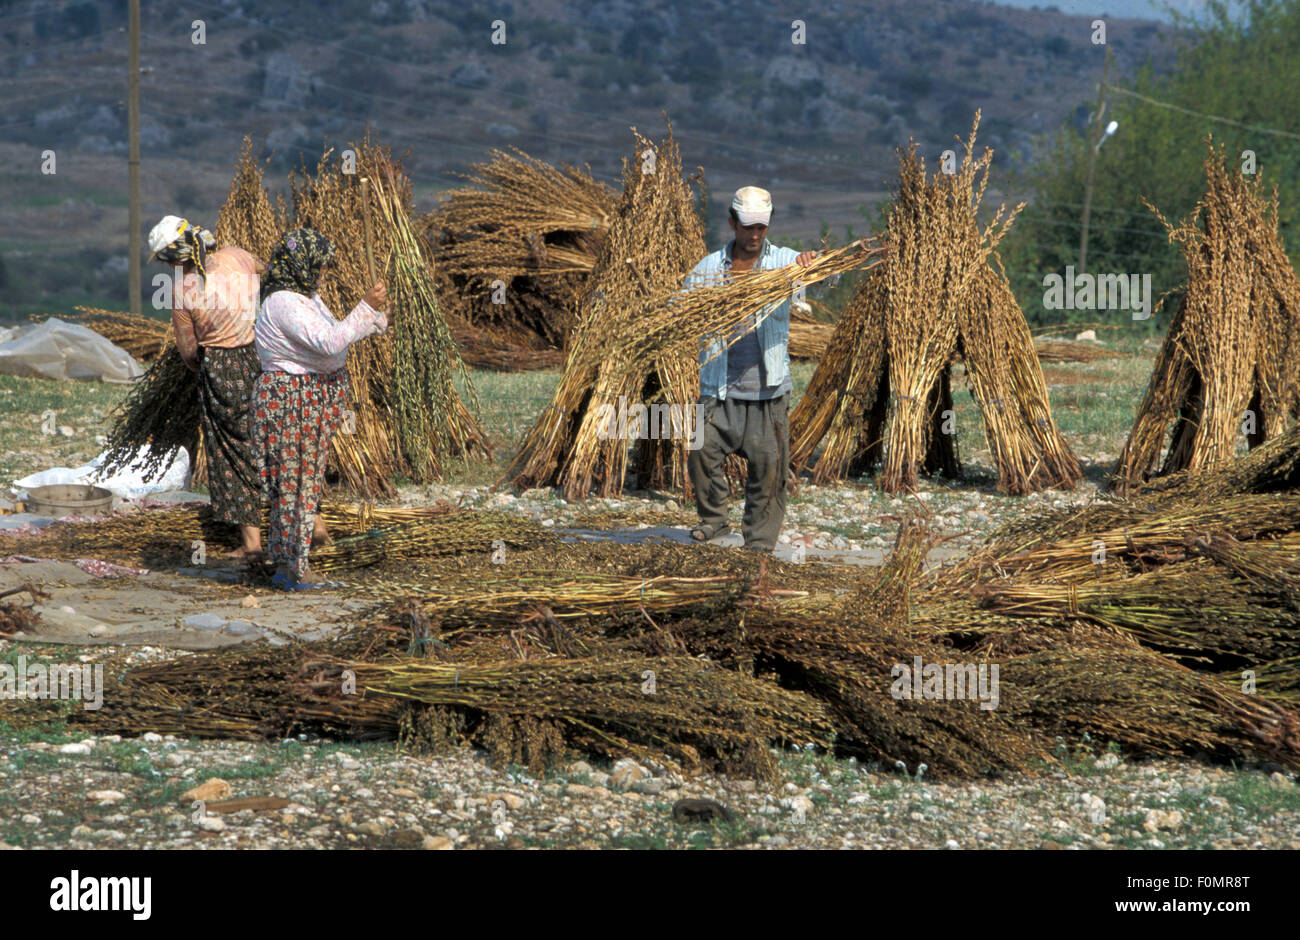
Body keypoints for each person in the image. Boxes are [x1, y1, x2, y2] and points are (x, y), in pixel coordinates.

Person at [251, 228, 388, 590]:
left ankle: (289, 565)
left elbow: (338, 332)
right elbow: (329, 342)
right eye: (318, 265)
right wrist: (366, 306)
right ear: (301, 264)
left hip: (306, 404)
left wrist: (372, 320)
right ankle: (293, 570)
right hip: (291, 405)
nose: (322, 273)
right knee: (294, 485)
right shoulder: (283, 302)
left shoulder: (306, 297)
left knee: (301, 485)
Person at [685, 187, 817, 552]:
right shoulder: (709, 269)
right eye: (748, 227)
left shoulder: (785, 263)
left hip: (767, 392)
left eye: (761, 227)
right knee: (701, 452)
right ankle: (713, 520)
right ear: (732, 223)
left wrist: (815, 264)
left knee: (769, 470)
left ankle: (759, 541)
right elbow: (679, 307)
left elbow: (824, 279)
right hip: (718, 389)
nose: (755, 235)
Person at [148, 215, 266, 563]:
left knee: (234, 451)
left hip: (221, 369)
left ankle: (252, 544)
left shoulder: (183, 290)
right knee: (270, 440)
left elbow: (188, 352)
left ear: (174, 258)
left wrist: (207, 363)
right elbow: (274, 278)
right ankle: (311, 523)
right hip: (262, 356)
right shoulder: (239, 256)